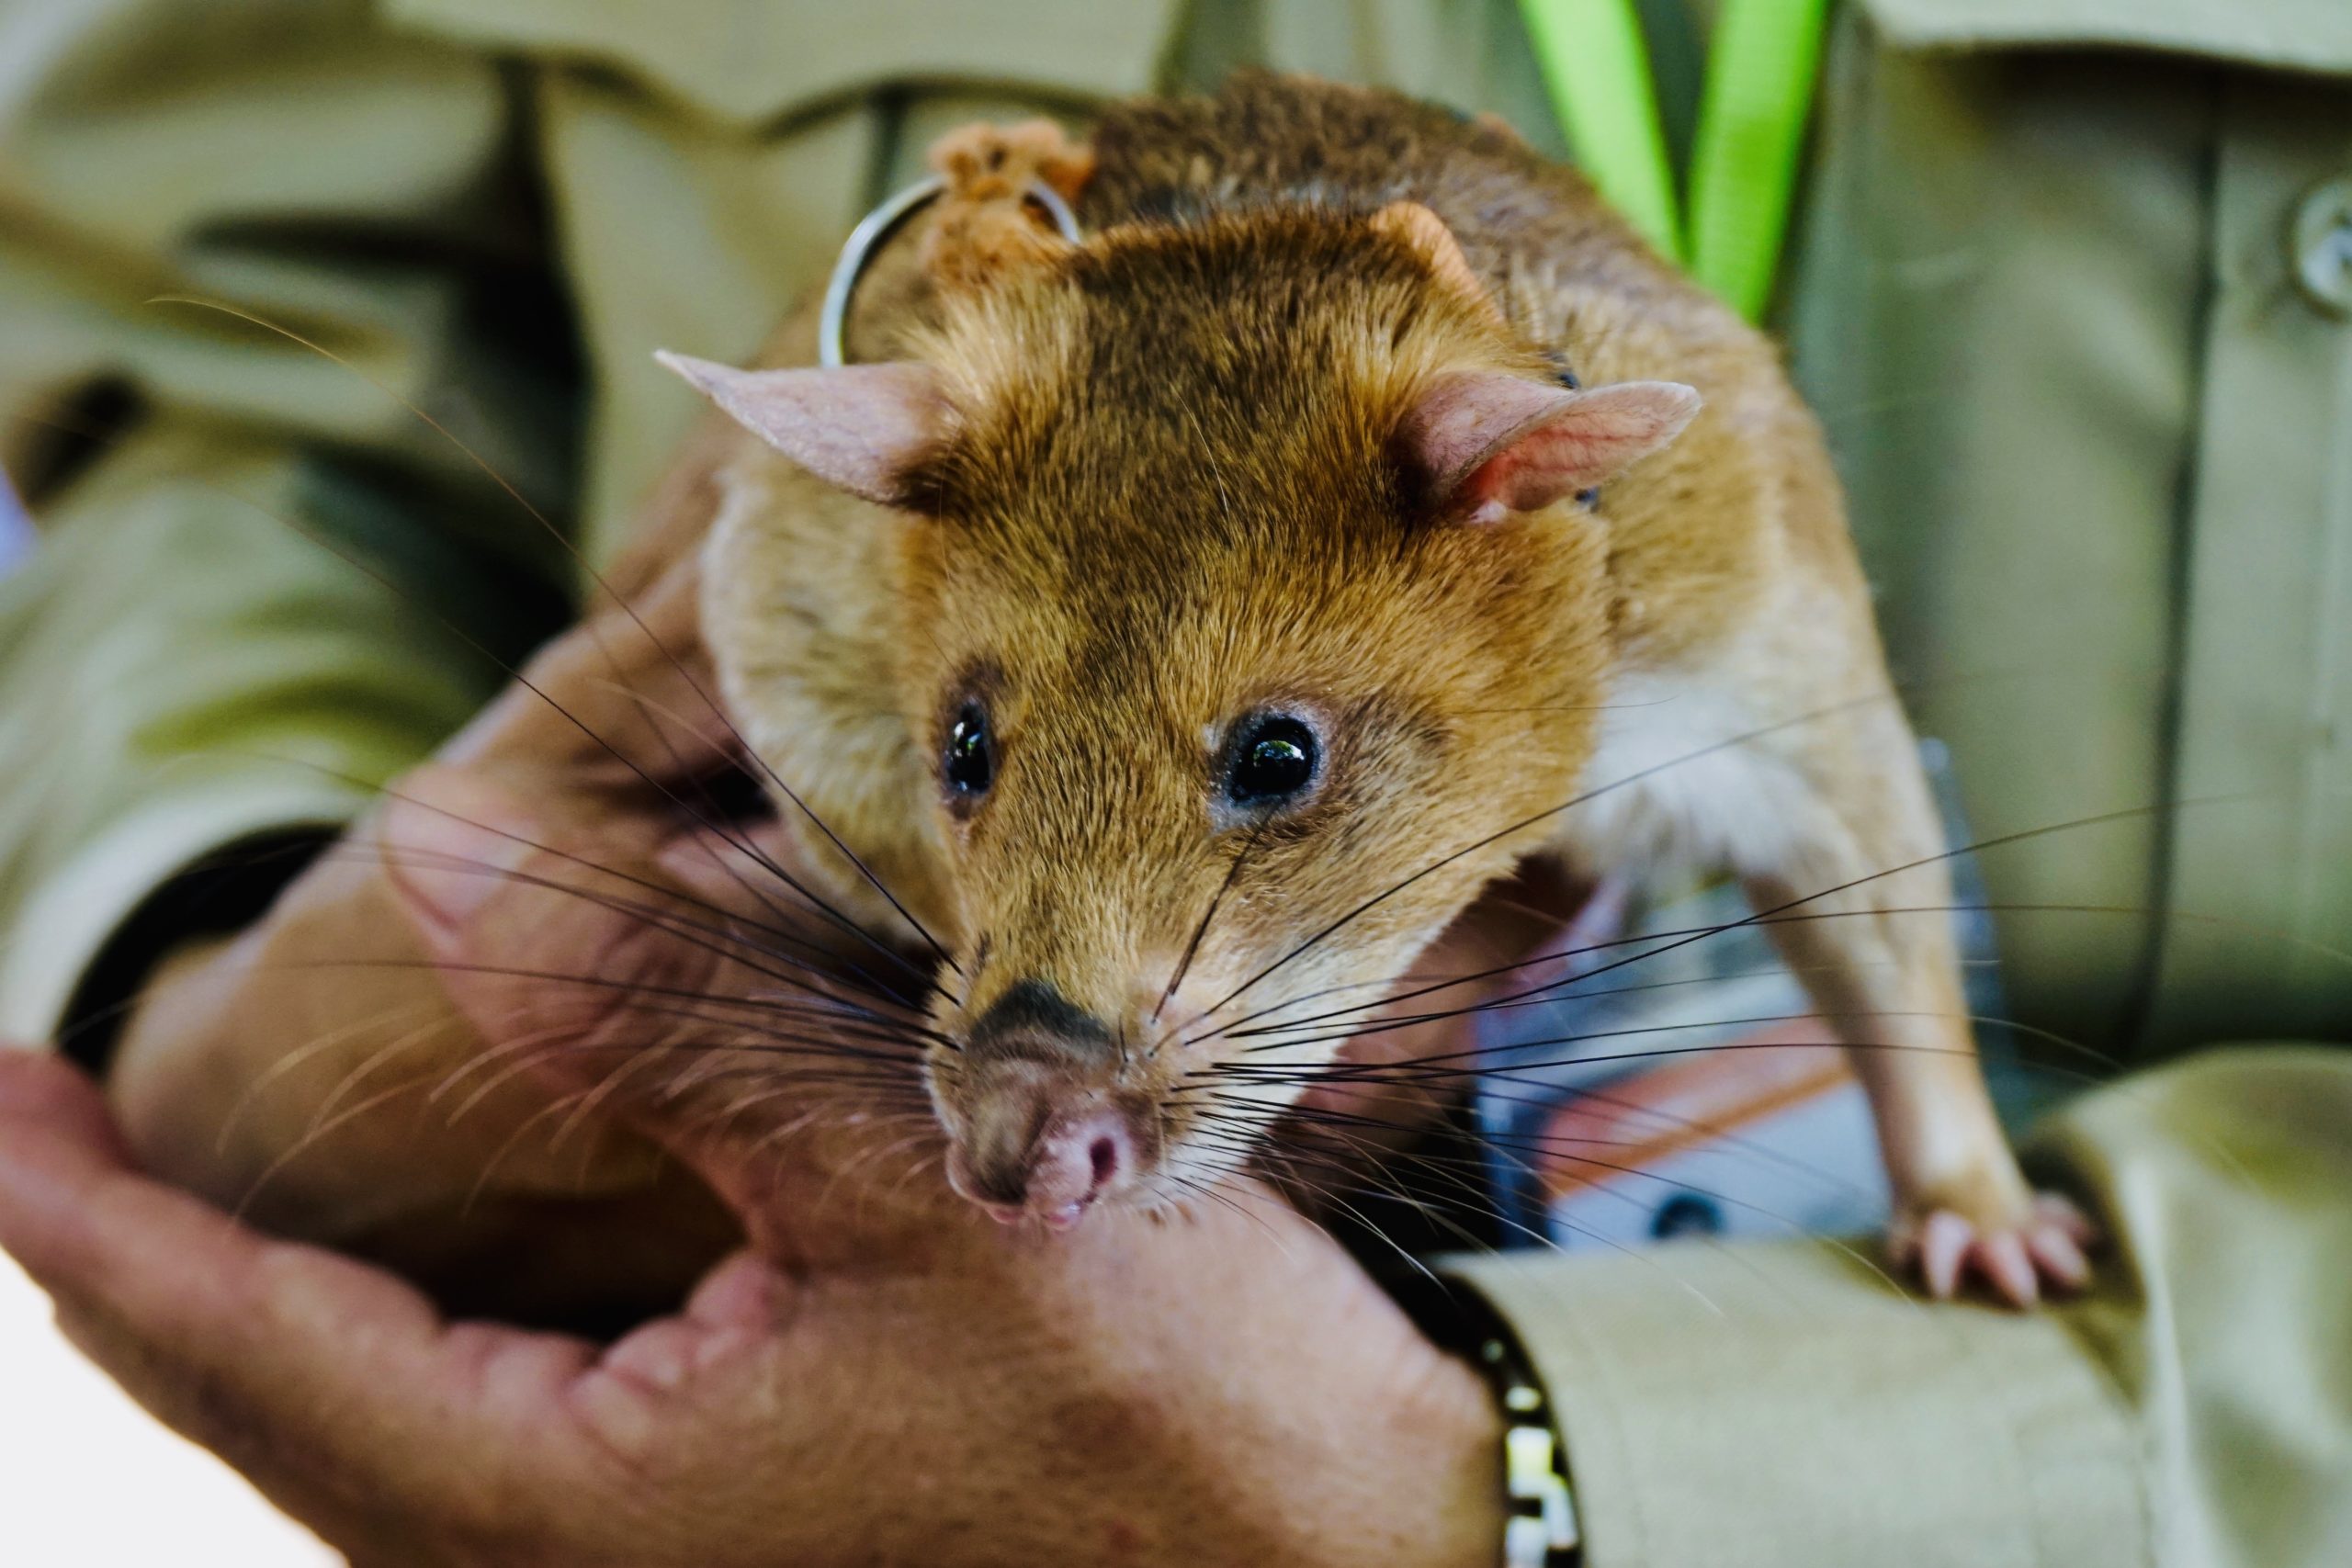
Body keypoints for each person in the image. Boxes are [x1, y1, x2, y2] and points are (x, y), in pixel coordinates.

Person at [1, 1, 2346, 1563]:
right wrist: (221, 932)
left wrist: (1542, 1482)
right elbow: (227, 385)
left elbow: (1830, 809)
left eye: (1273, 764)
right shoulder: (917, 504)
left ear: (1525, 492)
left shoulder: (1678, 512)